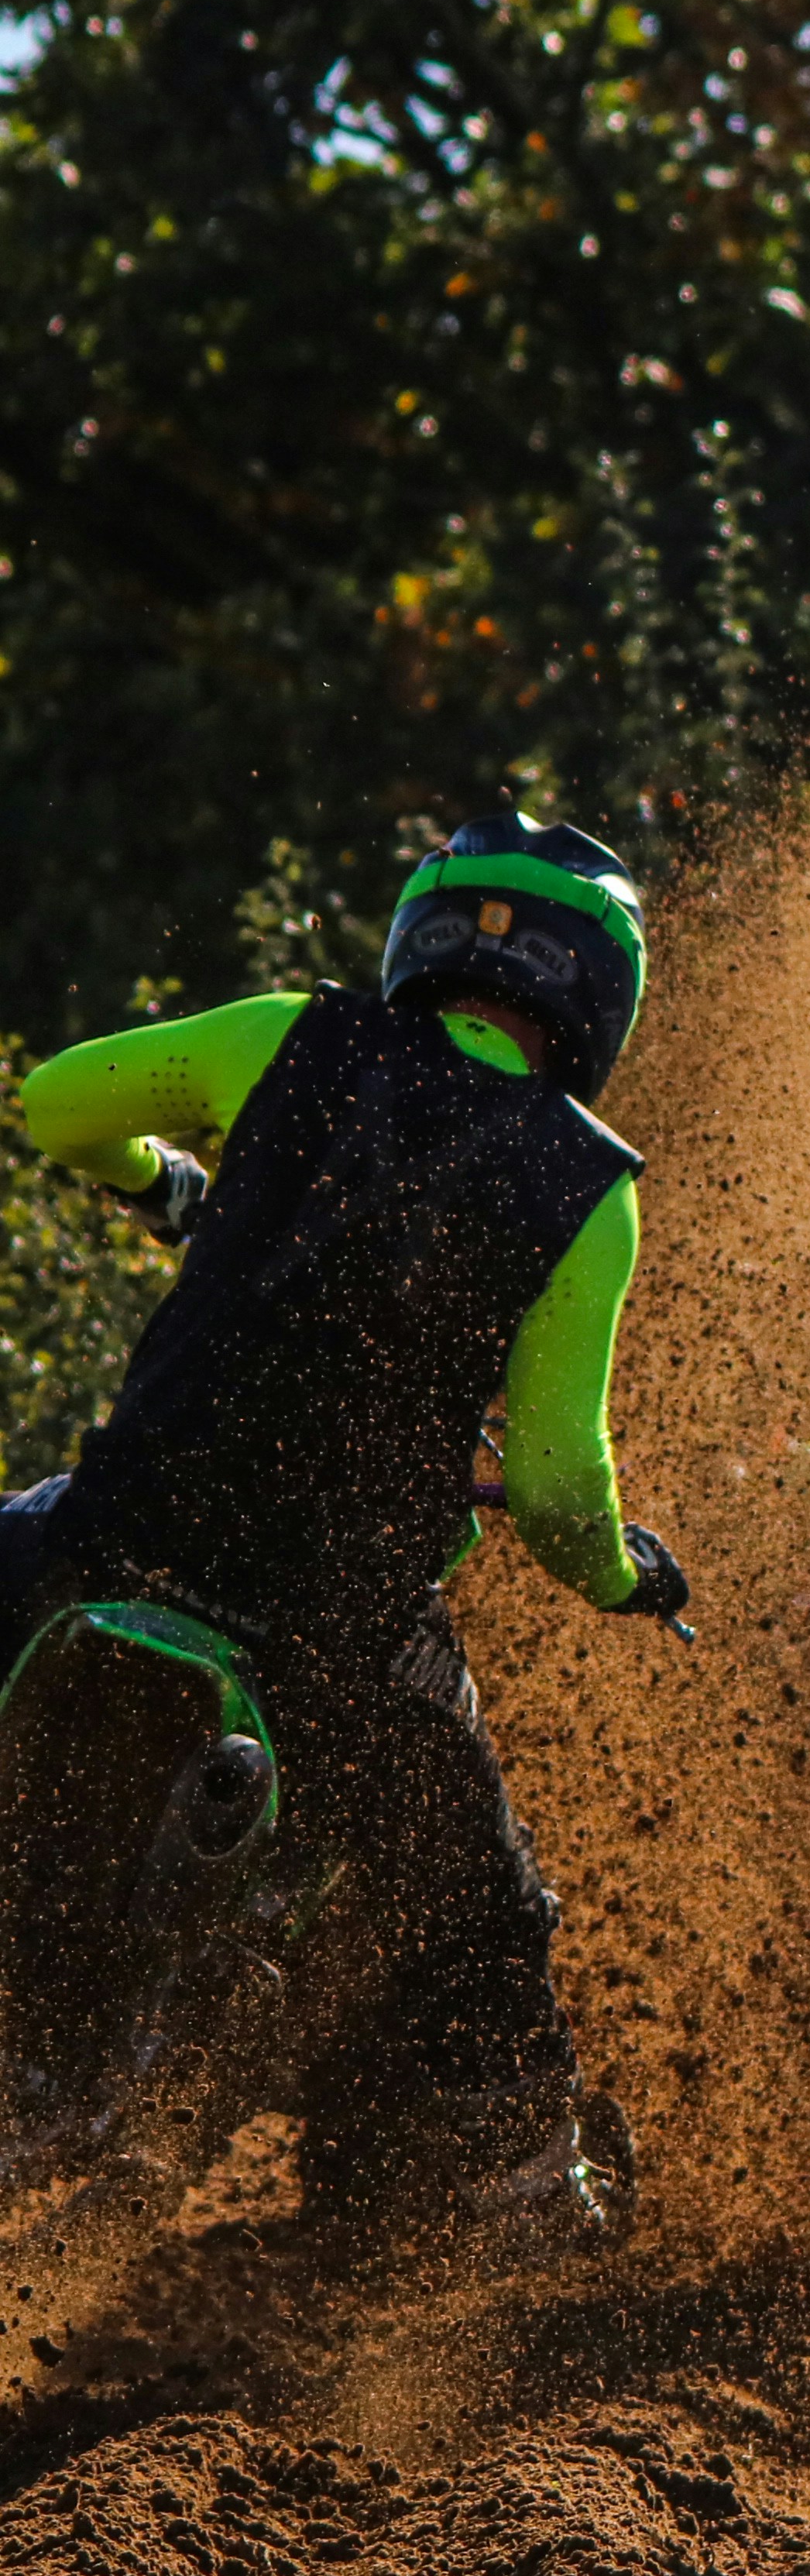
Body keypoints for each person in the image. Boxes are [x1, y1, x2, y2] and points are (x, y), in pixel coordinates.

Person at [2, 814, 685, 2255]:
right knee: (484, 1904)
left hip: (108, 1543)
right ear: (601, 998)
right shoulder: (585, 1185)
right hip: (337, 1636)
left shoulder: (292, 1039)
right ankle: (532, 2193)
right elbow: (562, 1489)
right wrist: (625, 1577)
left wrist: (164, 1185)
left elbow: (59, 1103)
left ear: (419, 940)